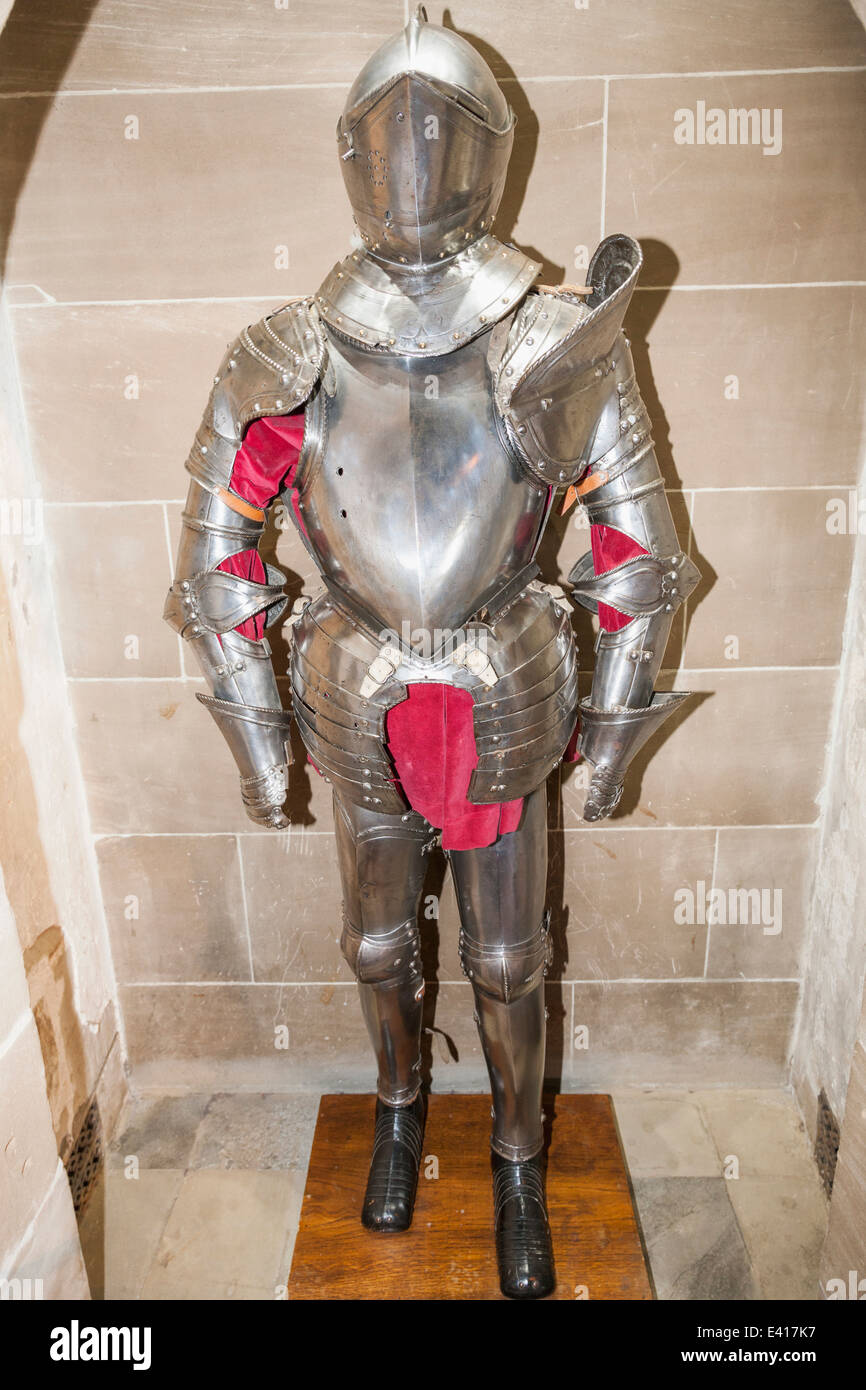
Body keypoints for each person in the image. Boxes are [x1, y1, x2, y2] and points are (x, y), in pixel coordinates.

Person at [164, 6, 698, 1300]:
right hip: (352, 684)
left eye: (437, 134)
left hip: (502, 680)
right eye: (387, 137)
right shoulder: (283, 351)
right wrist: (254, 737)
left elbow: (639, 551)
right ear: (349, 152)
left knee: (512, 959)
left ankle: (517, 1157)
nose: (412, 159)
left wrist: (617, 727)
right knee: (373, 946)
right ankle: (399, 1106)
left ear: (488, 152)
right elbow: (214, 556)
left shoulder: (552, 338)